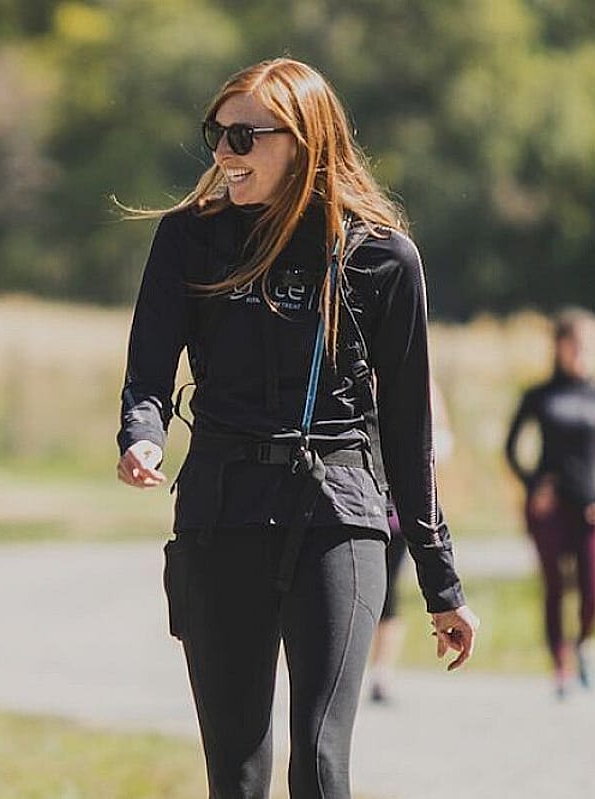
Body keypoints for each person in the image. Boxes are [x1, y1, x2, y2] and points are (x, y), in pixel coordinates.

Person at [116, 58, 478, 799]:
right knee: (238, 776)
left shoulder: (383, 258)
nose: (223, 153)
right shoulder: (191, 239)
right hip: (220, 511)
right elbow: (148, 371)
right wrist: (141, 431)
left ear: (304, 139)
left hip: (337, 517)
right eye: (216, 134)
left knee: (318, 762)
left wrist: (441, 582)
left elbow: (408, 437)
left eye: (244, 137)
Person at [505, 308, 595, 699]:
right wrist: (534, 486)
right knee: (555, 586)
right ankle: (561, 669)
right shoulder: (539, 395)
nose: (581, 353)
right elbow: (511, 449)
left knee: (593, 586)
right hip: (549, 509)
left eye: (589, 346)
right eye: (574, 345)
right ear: (559, 347)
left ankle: (585, 643)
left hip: (590, 508)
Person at [367, 378, 454, 705]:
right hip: (357, 505)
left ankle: (381, 672)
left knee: (389, 590)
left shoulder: (424, 383)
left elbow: (444, 439)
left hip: (399, 511)